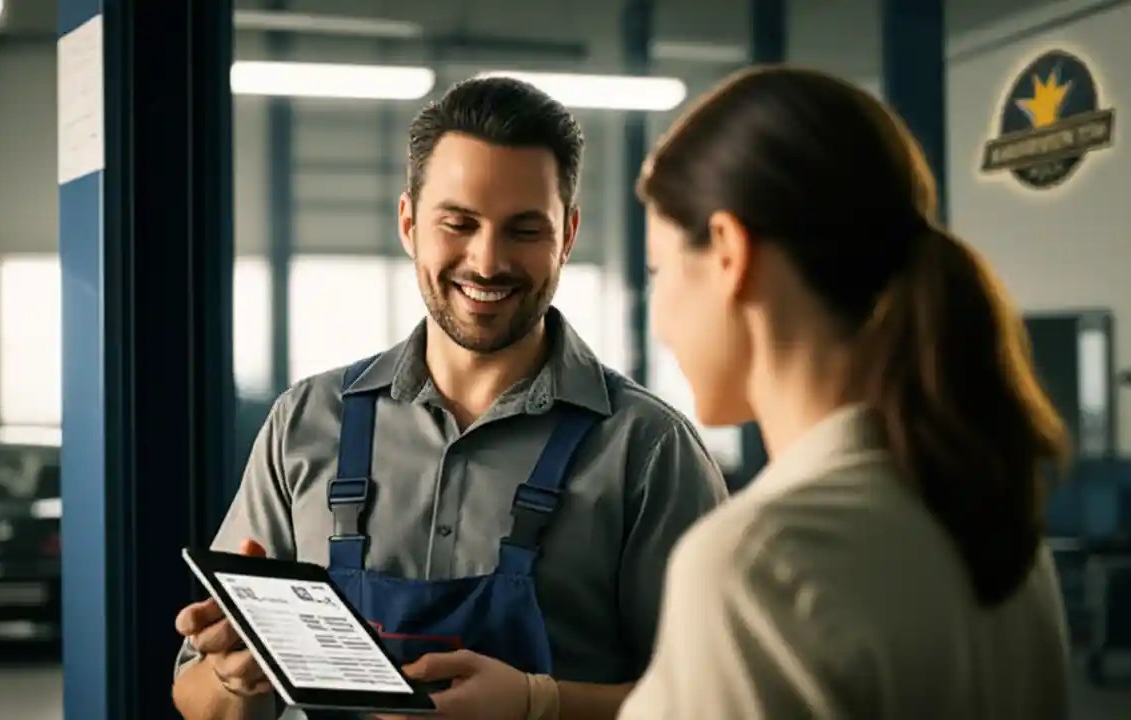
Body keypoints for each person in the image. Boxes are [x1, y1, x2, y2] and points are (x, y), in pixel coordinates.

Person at [171, 77, 728, 720]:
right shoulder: (305, 424)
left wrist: (536, 704)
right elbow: (198, 699)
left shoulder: (647, 448)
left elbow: (717, 701)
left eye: (524, 229)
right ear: (409, 223)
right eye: (458, 223)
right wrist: (236, 680)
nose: (488, 262)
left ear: (567, 234)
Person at [618, 66, 1071, 719]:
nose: (659, 319)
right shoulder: (999, 534)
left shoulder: (758, 564)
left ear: (727, 252)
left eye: (660, 270)